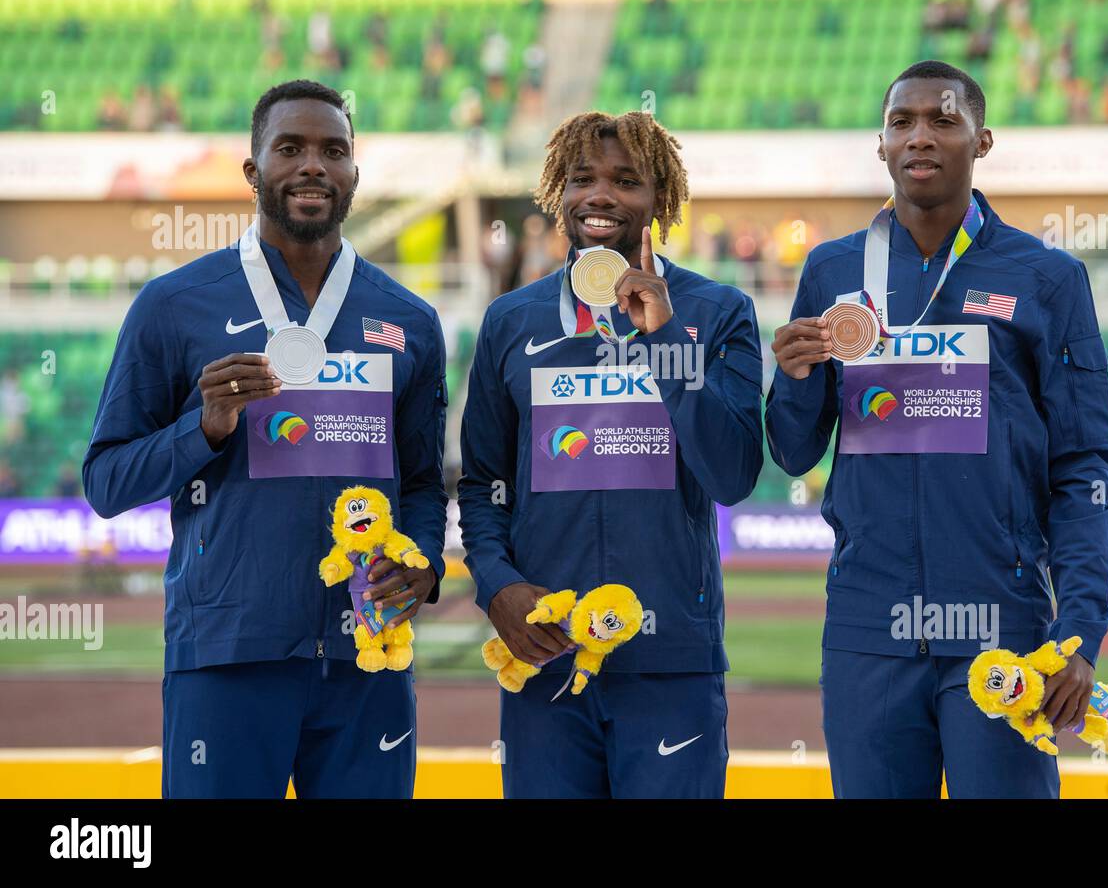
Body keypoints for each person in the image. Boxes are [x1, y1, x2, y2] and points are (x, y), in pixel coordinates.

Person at [83, 80, 449, 798]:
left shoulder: (408, 319)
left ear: (353, 174)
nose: (313, 165)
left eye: (333, 151)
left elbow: (421, 483)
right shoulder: (174, 306)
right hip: (225, 655)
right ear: (253, 171)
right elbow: (105, 481)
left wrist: (428, 563)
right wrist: (204, 428)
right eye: (290, 148)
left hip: (367, 659)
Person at [766, 60, 1108, 798]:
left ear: (981, 140)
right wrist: (794, 379)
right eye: (902, 122)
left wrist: (1079, 629)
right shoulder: (834, 271)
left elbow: (1084, 467)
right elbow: (794, 450)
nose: (920, 136)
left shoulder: (1047, 277)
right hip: (870, 628)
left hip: (1002, 623)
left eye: (943, 120)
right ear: (881, 144)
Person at [458, 111, 763, 797]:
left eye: (627, 181)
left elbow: (735, 474)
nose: (600, 196)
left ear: (660, 199)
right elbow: (482, 484)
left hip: (670, 660)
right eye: (582, 179)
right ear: (557, 193)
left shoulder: (717, 313)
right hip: (546, 653)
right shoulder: (512, 321)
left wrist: (665, 342)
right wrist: (497, 585)